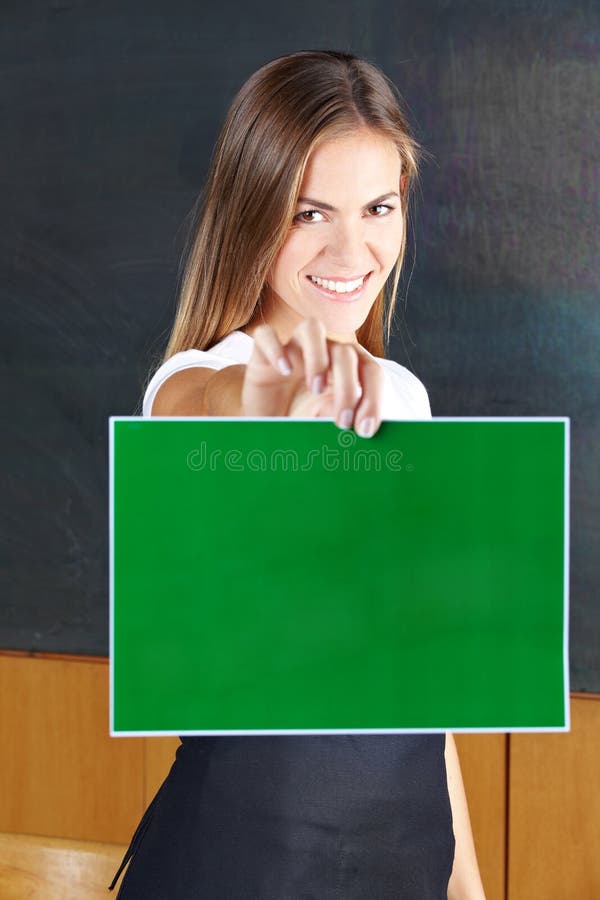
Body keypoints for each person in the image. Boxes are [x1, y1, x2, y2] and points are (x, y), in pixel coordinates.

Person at [109, 49, 486, 899]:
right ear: (255, 214)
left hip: (405, 851)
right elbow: (203, 405)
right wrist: (294, 378)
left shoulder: (408, 401)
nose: (353, 247)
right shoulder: (196, 379)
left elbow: (425, 684)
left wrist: (469, 890)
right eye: (309, 213)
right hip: (238, 860)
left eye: (378, 207)